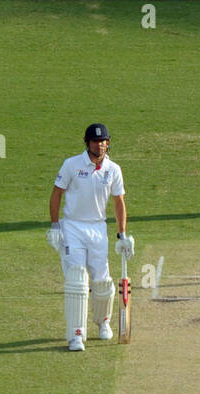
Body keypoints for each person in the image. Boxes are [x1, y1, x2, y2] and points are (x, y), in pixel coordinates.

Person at [46, 123, 135, 350]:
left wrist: (122, 234)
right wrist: (55, 225)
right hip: (73, 227)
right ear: (87, 143)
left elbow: (119, 202)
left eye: (104, 141)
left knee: (102, 281)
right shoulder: (72, 165)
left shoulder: (113, 169)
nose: (100, 144)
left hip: (98, 229)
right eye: (96, 141)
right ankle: (76, 334)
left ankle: (103, 322)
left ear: (108, 142)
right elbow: (57, 194)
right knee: (77, 279)